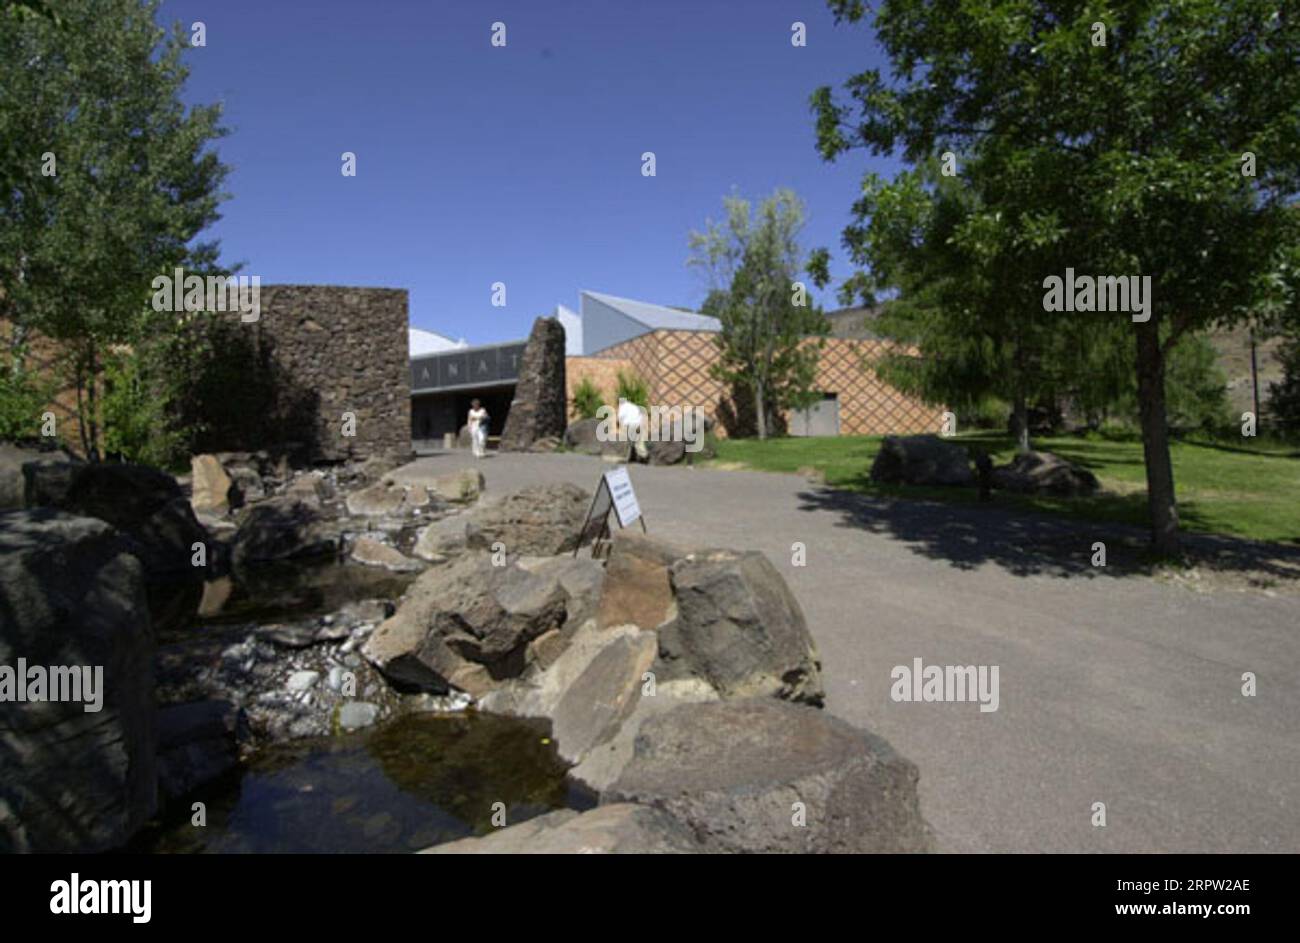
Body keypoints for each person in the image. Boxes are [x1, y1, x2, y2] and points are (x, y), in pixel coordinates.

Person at [617, 397, 649, 462]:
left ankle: (628, 457)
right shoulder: (633, 406)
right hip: (638, 424)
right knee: (639, 441)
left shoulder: (622, 407)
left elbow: (620, 416)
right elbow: (640, 415)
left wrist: (618, 423)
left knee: (628, 443)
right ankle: (644, 456)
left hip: (630, 425)